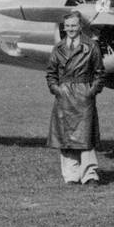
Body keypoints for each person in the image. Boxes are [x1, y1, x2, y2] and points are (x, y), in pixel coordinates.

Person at [45, 10, 105, 184]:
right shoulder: (58, 48)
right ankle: (70, 176)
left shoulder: (92, 46)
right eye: (68, 26)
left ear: (81, 27)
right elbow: (51, 73)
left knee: (85, 137)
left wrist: (91, 92)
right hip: (63, 95)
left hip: (83, 94)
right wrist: (57, 89)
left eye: (74, 26)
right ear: (64, 27)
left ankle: (90, 175)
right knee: (66, 137)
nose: (70, 29)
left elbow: (100, 73)